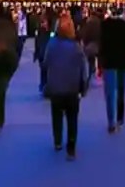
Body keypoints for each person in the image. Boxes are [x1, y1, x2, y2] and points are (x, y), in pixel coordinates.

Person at [42, 16, 87, 160]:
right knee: (72, 117)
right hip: (72, 87)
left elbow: (45, 63)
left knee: (56, 114)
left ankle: (57, 141)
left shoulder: (52, 44)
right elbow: (83, 68)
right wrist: (83, 86)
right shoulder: (76, 46)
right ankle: (71, 146)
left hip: (55, 85)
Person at [97, 7, 125, 133]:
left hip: (109, 62)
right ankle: (120, 118)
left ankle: (111, 121)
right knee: (121, 91)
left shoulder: (104, 26)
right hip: (124, 62)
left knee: (110, 93)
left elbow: (100, 45)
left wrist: (99, 64)